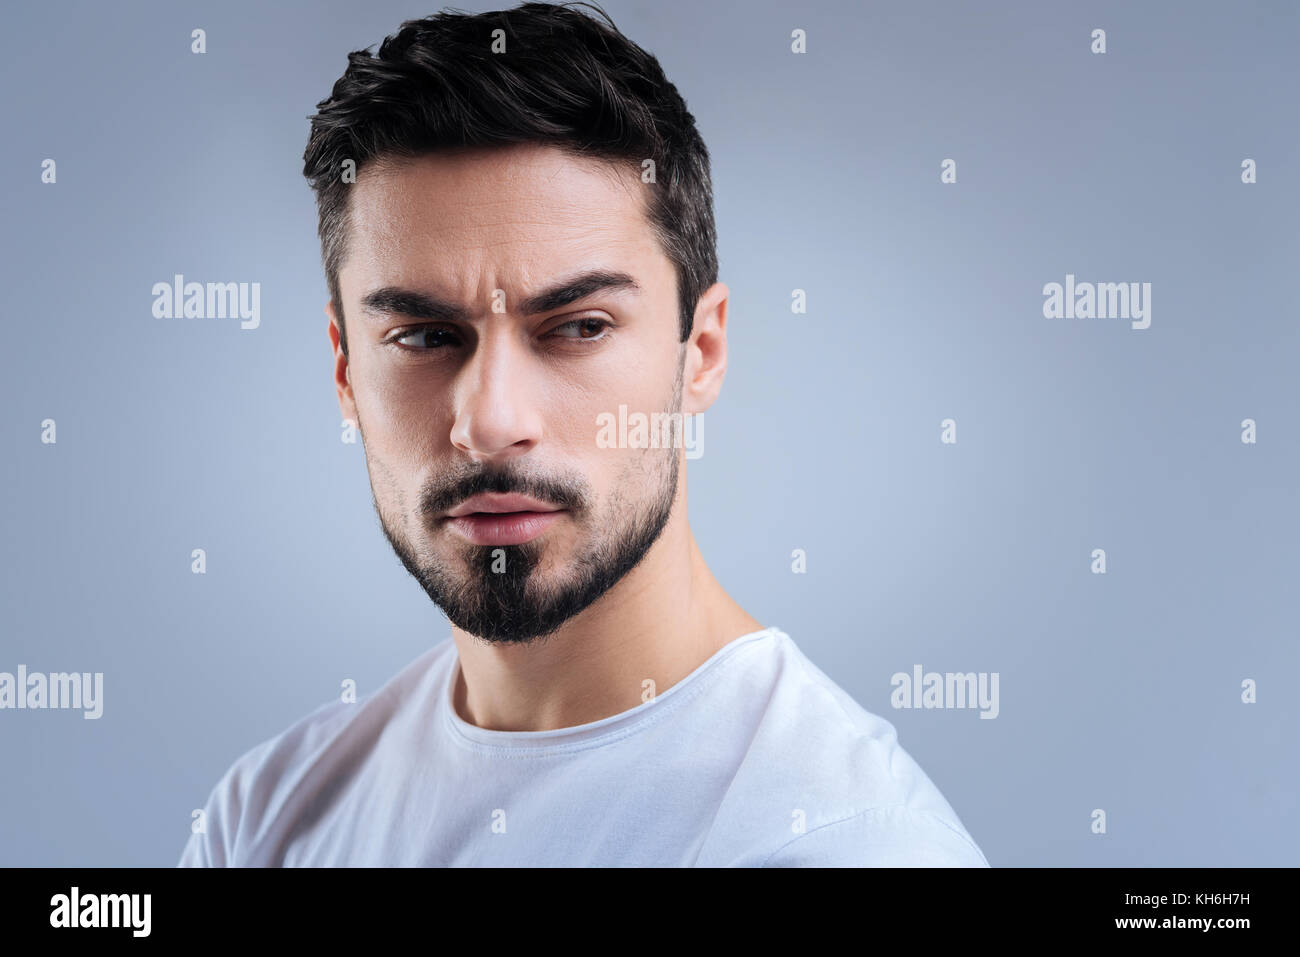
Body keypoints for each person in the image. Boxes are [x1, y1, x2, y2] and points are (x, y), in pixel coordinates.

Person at [179, 1, 988, 867]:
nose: (490, 421)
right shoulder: (264, 819)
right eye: (422, 336)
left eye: (577, 326)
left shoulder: (844, 844)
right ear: (346, 372)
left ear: (700, 351)